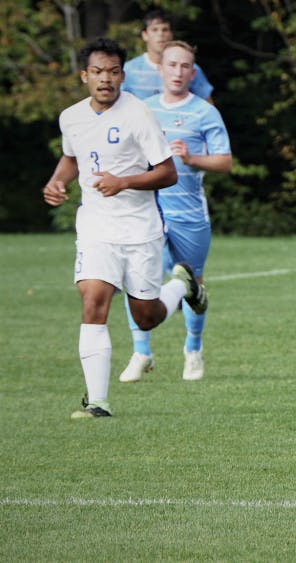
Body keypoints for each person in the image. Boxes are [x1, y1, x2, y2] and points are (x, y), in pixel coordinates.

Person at [42, 37, 208, 419]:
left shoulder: (138, 114)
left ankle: (183, 285)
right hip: (96, 227)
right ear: (85, 75)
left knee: (145, 316)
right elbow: (72, 158)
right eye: (98, 72)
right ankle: (98, 402)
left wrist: (124, 182)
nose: (106, 80)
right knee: (93, 302)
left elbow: (166, 173)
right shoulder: (72, 117)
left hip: (140, 229)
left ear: (123, 76)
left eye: (114, 72)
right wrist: (57, 182)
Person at [118, 40, 232, 383]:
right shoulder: (142, 109)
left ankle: (193, 349)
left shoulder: (205, 112)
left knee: (191, 283)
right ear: (161, 69)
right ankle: (141, 351)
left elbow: (225, 161)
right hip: (148, 209)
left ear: (192, 73)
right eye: (172, 65)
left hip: (189, 214)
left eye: (185, 67)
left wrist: (192, 159)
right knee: (136, 277)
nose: (178, 72)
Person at [122, 10, 214, 103]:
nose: (160, 34)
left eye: (165, 29)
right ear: (145, 35)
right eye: (155, 29)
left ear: (171, 34)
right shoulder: (128, 70)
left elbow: (207, 105)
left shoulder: (188, 69)